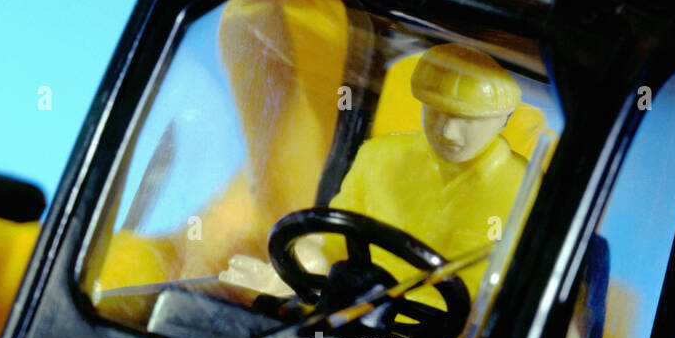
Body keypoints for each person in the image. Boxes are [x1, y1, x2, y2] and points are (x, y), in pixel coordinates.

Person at [221, 42, 530, 302]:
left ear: (501, 120)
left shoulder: (526, 190)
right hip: (343, 324)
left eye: (467, 119)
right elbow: (329, 241)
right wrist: (285, 276)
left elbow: (502, 300)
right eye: (436, 111)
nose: (448, 131)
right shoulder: (378, 157)